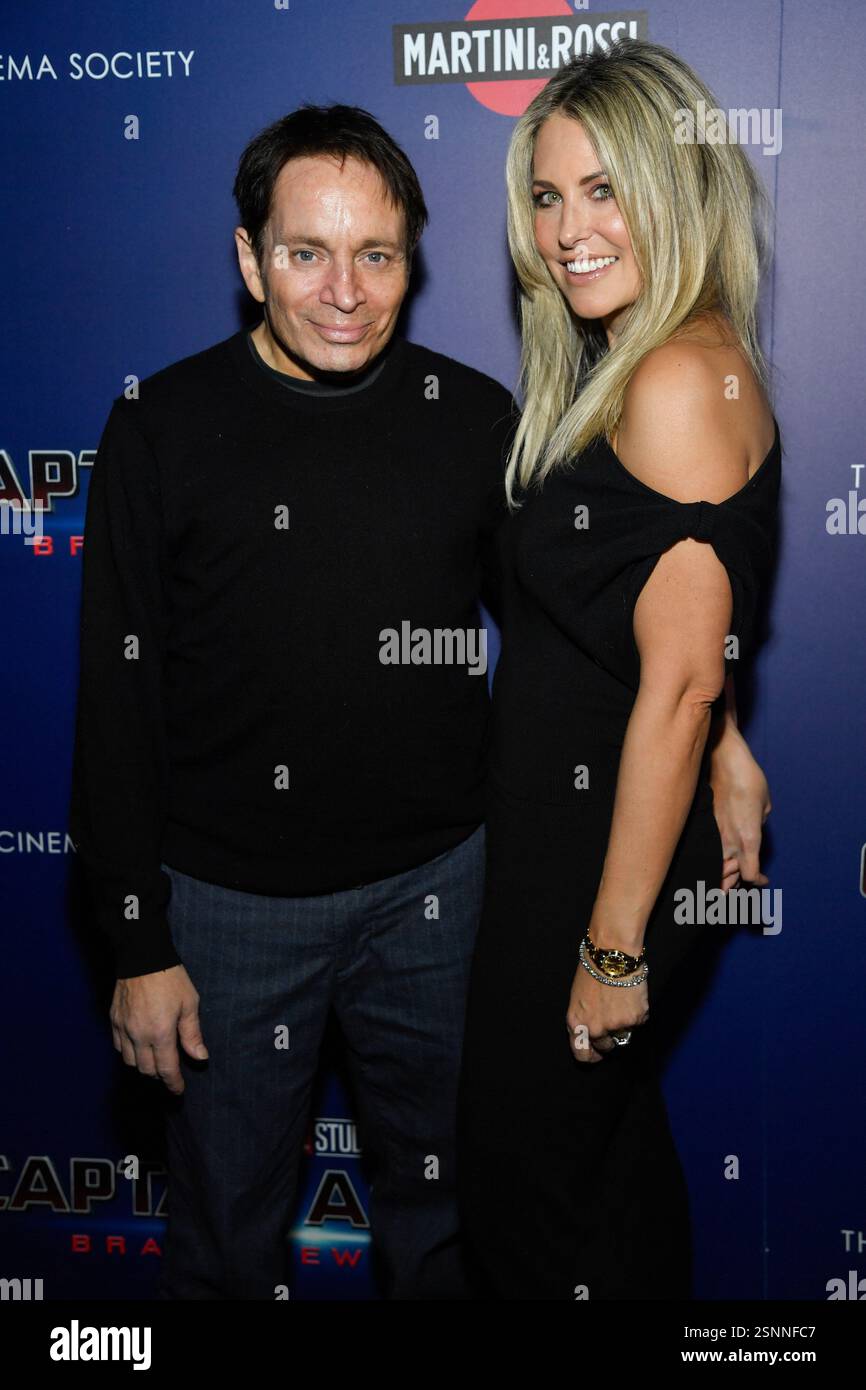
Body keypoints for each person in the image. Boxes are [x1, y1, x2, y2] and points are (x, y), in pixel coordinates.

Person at [69, 99, 770, 1302]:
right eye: (305, 253)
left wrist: (717, 734)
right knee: (224, 1239)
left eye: (376, 255)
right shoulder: (160, 425)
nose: (343, 291)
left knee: (458, 1225)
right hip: (231, 913)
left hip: (445, 900)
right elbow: (113, 697)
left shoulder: (476, 420)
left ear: (414, 259)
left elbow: (612, 620)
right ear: (249, 260)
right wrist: (137, 941)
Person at [456, 38, 782, 1300]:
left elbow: (679, 682)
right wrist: (733, 745)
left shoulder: (668, 381)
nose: (566, 230)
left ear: (671, 188)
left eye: (603, 190)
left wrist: (608, 947)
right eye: (545, 196)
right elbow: (685, 617)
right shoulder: (667, 354)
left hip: (605, 856)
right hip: (579, 825)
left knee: (525, 1185)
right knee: (597, 1165)